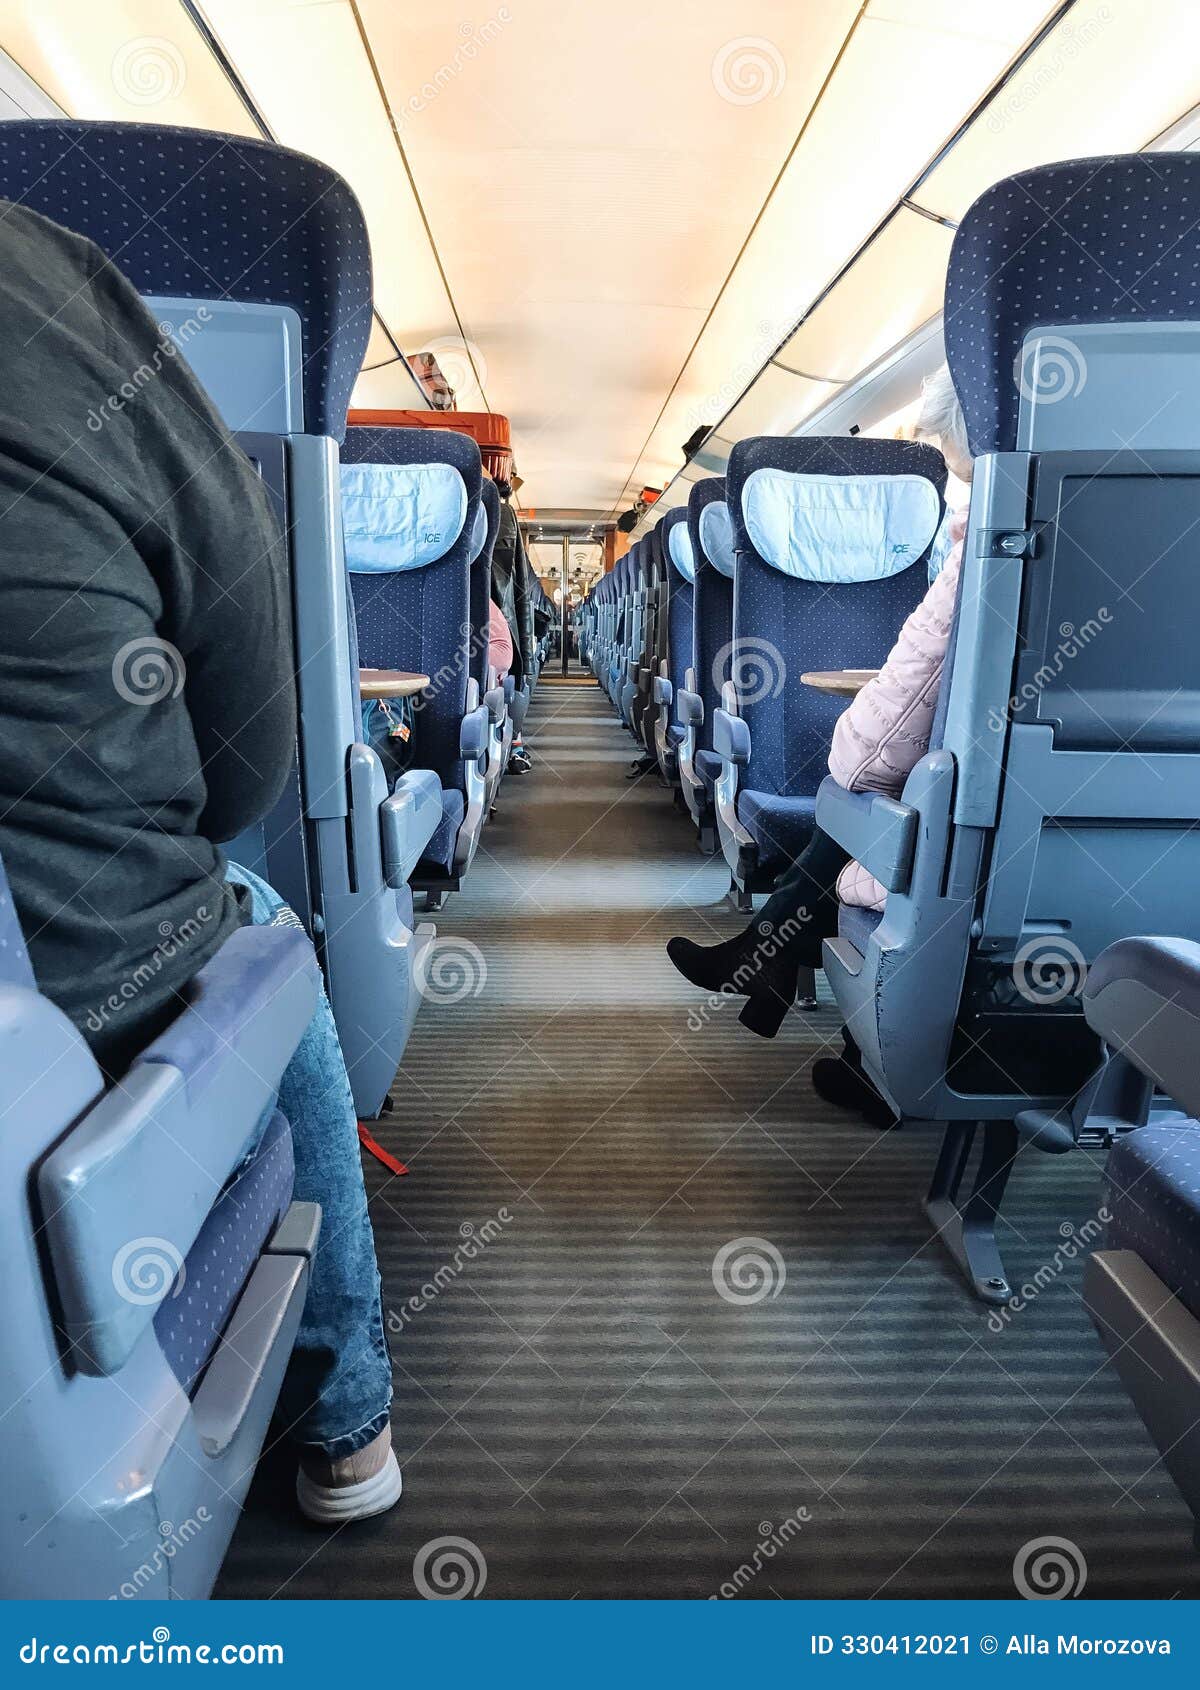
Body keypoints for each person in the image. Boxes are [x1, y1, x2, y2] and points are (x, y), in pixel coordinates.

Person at [0, 199, 399, 1522]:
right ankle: (350, 1423)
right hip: (81, 1017)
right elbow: (249, 770)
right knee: (262, 905)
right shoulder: (47, 296)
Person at [666, 366, 973, 1118]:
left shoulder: (988, 554)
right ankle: (780, 973)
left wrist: (849, 770)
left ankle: (765, 955)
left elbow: (871, 750)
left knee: (846, 794)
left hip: (961, 835)